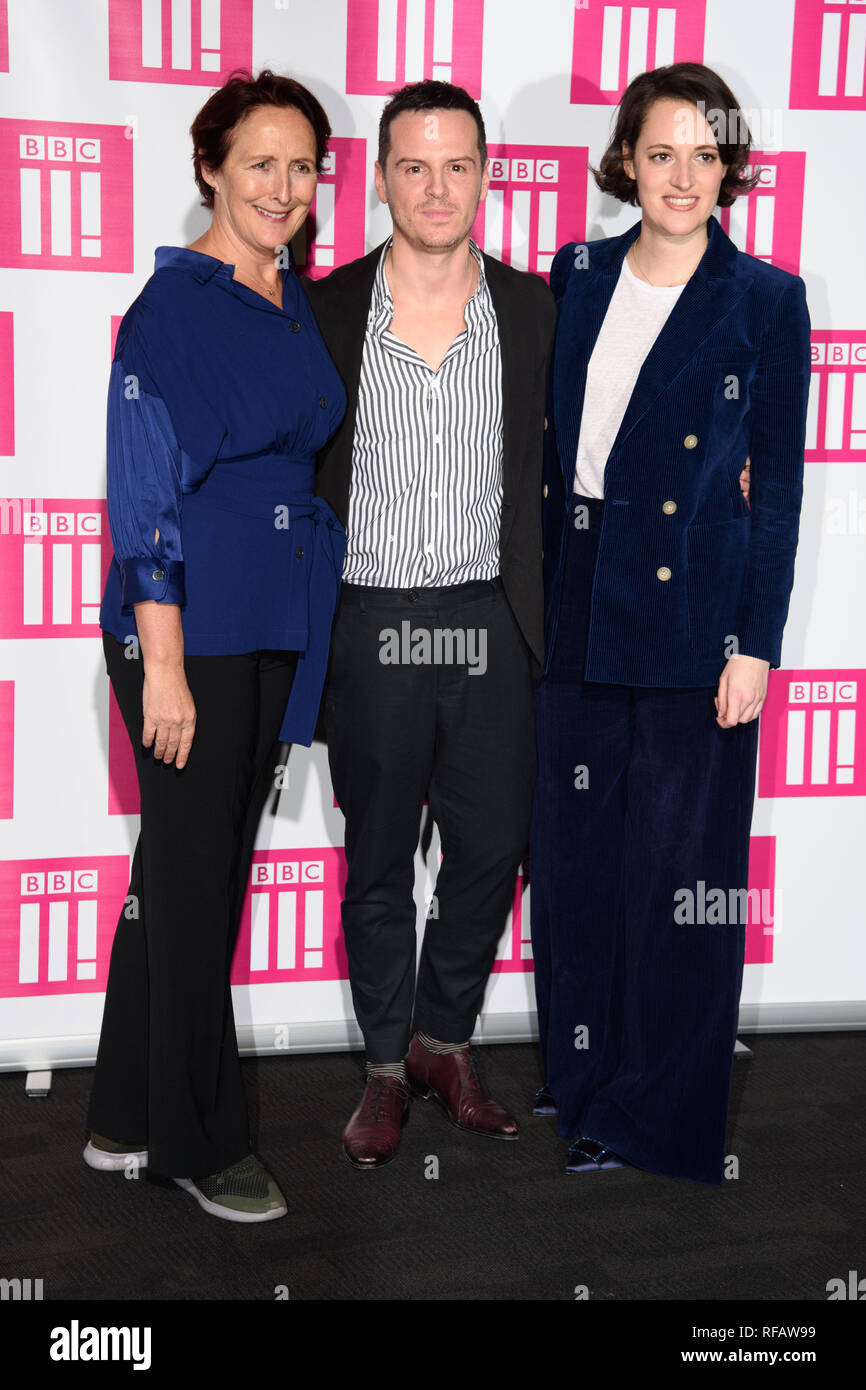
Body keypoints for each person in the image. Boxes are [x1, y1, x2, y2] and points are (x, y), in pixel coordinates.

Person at [530, 62, 811, 1185]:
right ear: (626, 160)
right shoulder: (578, 272)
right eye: (660, 152)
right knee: (577, 865)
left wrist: (755, 645)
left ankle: (664, 1111)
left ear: (728, 165)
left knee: (684, 874)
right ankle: (586, 1089)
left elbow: (780, 489)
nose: (681, 176)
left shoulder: (766, 299)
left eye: (704, 154)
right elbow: (556, 461)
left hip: (695, 610)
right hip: (575, 598)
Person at [85, 70, 347, 1221]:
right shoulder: (172, 310)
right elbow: (140, 498)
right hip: (187, 632)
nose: (282, 187)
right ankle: (197, 1142)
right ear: (209, 169)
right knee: (198, 894)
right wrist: (170, 666)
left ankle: (122, 1111)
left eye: (300, 167)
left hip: (270, 624)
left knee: (177, 878)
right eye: (259, 164)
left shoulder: (288, 298)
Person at [302, 80, 556, 1168]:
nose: (436, 186)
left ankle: (443, 1043)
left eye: (457, 165)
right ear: (382, 178)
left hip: (488, 619)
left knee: (490, 849)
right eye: (414, 166)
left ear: (486, 175)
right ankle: (379, 1067)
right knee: (374, 859)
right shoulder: (321, 309)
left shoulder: (538, 310)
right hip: (369, 621)